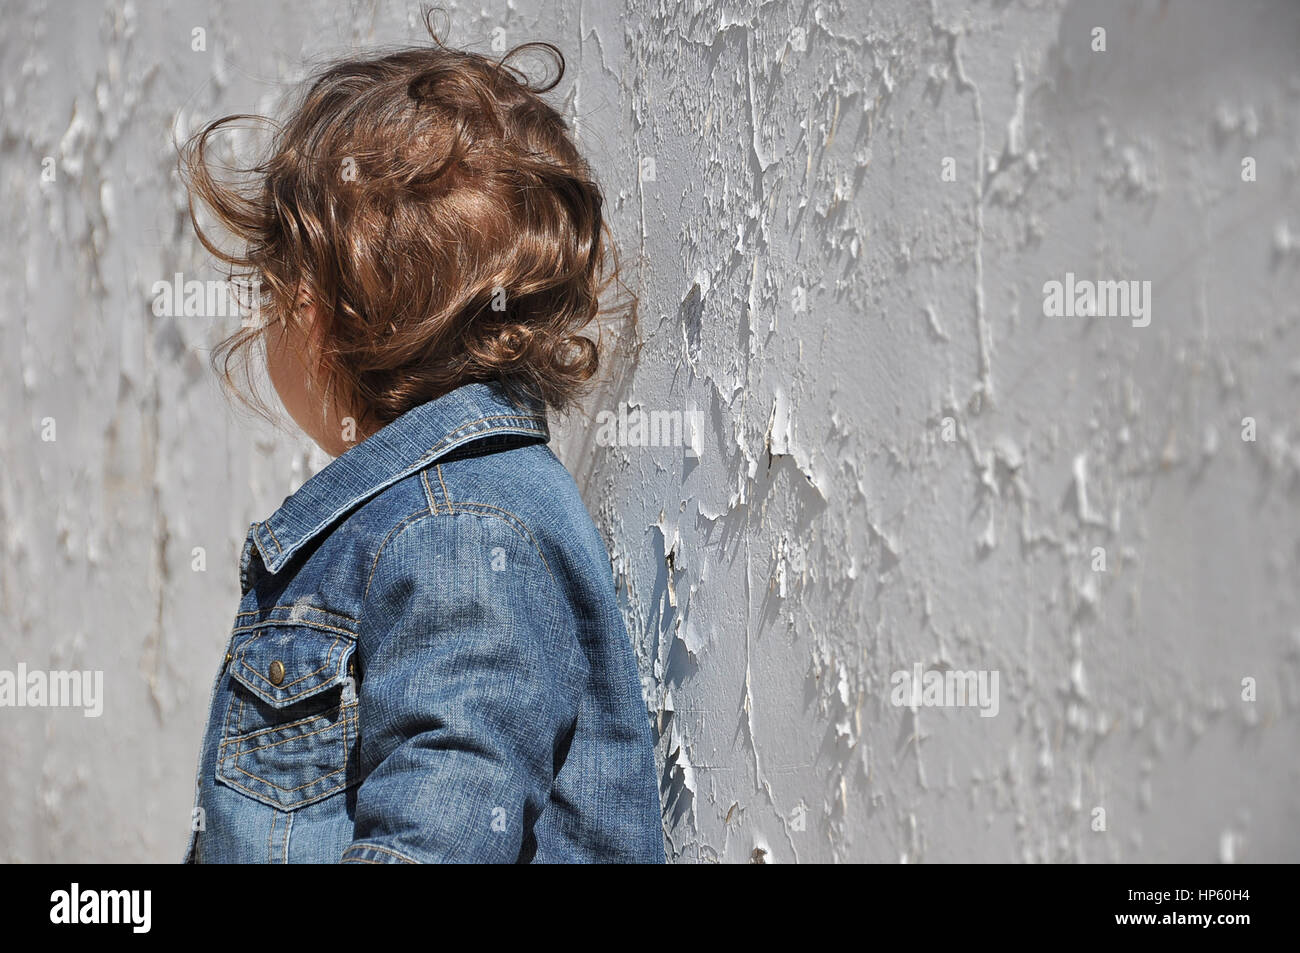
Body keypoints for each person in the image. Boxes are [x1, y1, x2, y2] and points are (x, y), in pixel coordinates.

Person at [179, 14, 664, 863]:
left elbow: (436, 839)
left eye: (271, 285)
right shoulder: (443, 517)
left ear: (318, 311)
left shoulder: (455, 531)